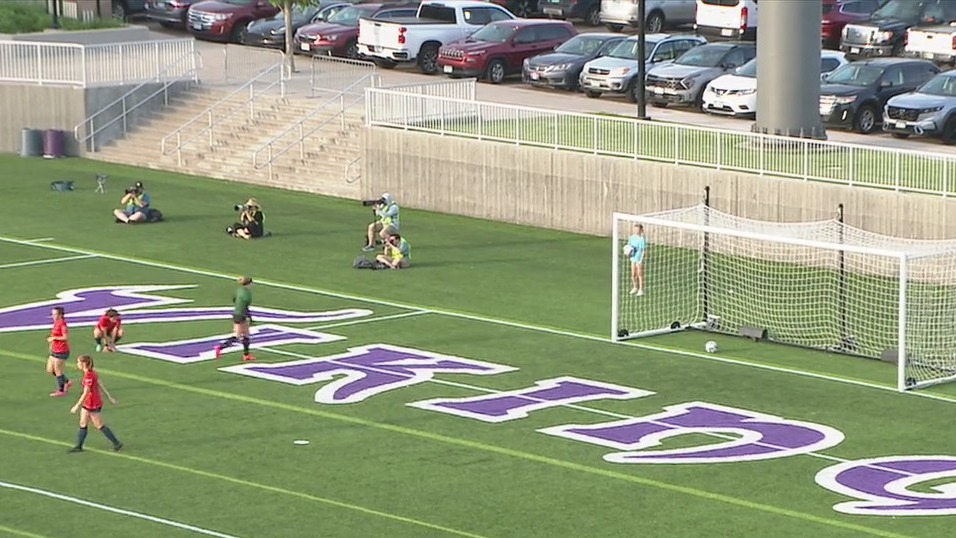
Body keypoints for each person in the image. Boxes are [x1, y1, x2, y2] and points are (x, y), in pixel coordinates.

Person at [68, 355, 122, 453]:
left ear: (84, 364)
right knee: (83, 423)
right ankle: (79, 446)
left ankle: (117, 443)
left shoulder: (89, 375)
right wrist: (109, 397)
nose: (77, 364)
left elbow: (86, 392)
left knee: (99, 425)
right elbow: (100, 384)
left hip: (93, 403)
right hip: (88, 402)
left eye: (78, 362)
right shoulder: (92, 373)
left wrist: (77, 405)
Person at [214, 276, 255, 362]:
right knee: (237, 336)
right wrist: (250, 318)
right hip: (241, 315)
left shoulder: (238, 290)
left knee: (246, 335)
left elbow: (234, 299)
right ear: (249, 283)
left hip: (236, 313)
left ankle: (246, 354)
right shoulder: (247, 293)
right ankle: (220, 347)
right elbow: (245, 306)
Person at [46, 306, 72, 398]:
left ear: (60, 315)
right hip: (55, 350)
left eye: (55, 314)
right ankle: (67, 381)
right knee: (50, 370)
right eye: (53, 314)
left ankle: (61, 390)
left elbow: (65, 337)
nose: (53, 316)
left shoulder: (62, 324)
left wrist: (54, 338)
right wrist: (51, 345)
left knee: (58, 370)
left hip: (62, 350)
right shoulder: (56, 323)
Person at [627, 224, 647, 296]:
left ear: (640, 230)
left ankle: (641, 289)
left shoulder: (642, 239)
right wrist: (628, 253)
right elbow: (629, 246)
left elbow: (643, 250)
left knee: (640, 274)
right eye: (635, 229)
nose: (636, 231)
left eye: (637, 229)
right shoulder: (632, 237)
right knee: (633, 274)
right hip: (633, 258)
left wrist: (641, 260)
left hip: (639, 259)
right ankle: (635, 287)